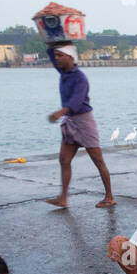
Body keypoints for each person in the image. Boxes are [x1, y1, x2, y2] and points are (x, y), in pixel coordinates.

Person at [45, 44, 116, 210]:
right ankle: (63, 198)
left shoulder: (80, 78)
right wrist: (50, 43)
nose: (57, 59)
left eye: (60, 55)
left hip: (84, 122)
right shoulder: (64, 73)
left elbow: (76, 101)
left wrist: (59, 112)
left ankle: (109, 196)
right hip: (70, 121)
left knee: (98, 161)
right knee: (64, 159)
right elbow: (50, 54)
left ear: (70, 57)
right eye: (56, 56)